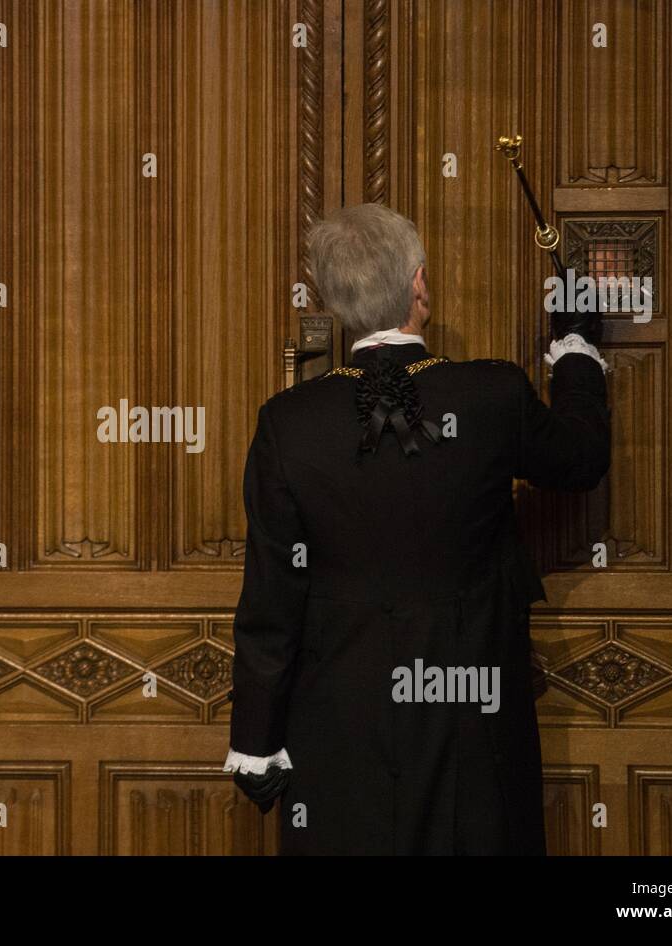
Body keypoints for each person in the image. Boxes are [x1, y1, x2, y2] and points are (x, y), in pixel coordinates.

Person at [224, 202, 610, 854]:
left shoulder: (288, 424)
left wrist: (254, 745)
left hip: (337, 733)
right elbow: (581, 457)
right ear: (419, 284)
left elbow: (272, 597)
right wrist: (576, 348)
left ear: (336, 300)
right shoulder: (491, 395)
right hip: (472, 735)